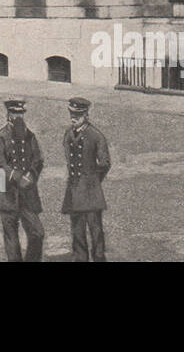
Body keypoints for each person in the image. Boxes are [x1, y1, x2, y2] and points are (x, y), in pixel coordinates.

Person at [0, 97, 45, 262]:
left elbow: (38, 159)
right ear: (8, 114)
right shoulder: (0, 137)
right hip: (7, 192)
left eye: (20, 113)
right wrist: (17, 177)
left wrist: (32, 175)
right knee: (11, 238)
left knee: (37, 233)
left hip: (27, 193)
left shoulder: (30, 136)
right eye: (14, 113)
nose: (18, 116)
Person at [61, 97, 110, 262]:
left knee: (95, 229)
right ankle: (81, 258)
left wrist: (93, 181)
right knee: (77, 229)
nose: (73, 118)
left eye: (78, 115)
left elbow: (104, 163)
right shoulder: (68, 134)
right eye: (71, 114)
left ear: (86, 115)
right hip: (74, 189)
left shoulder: (96, 135)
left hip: (90, 190)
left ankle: (99, 258)